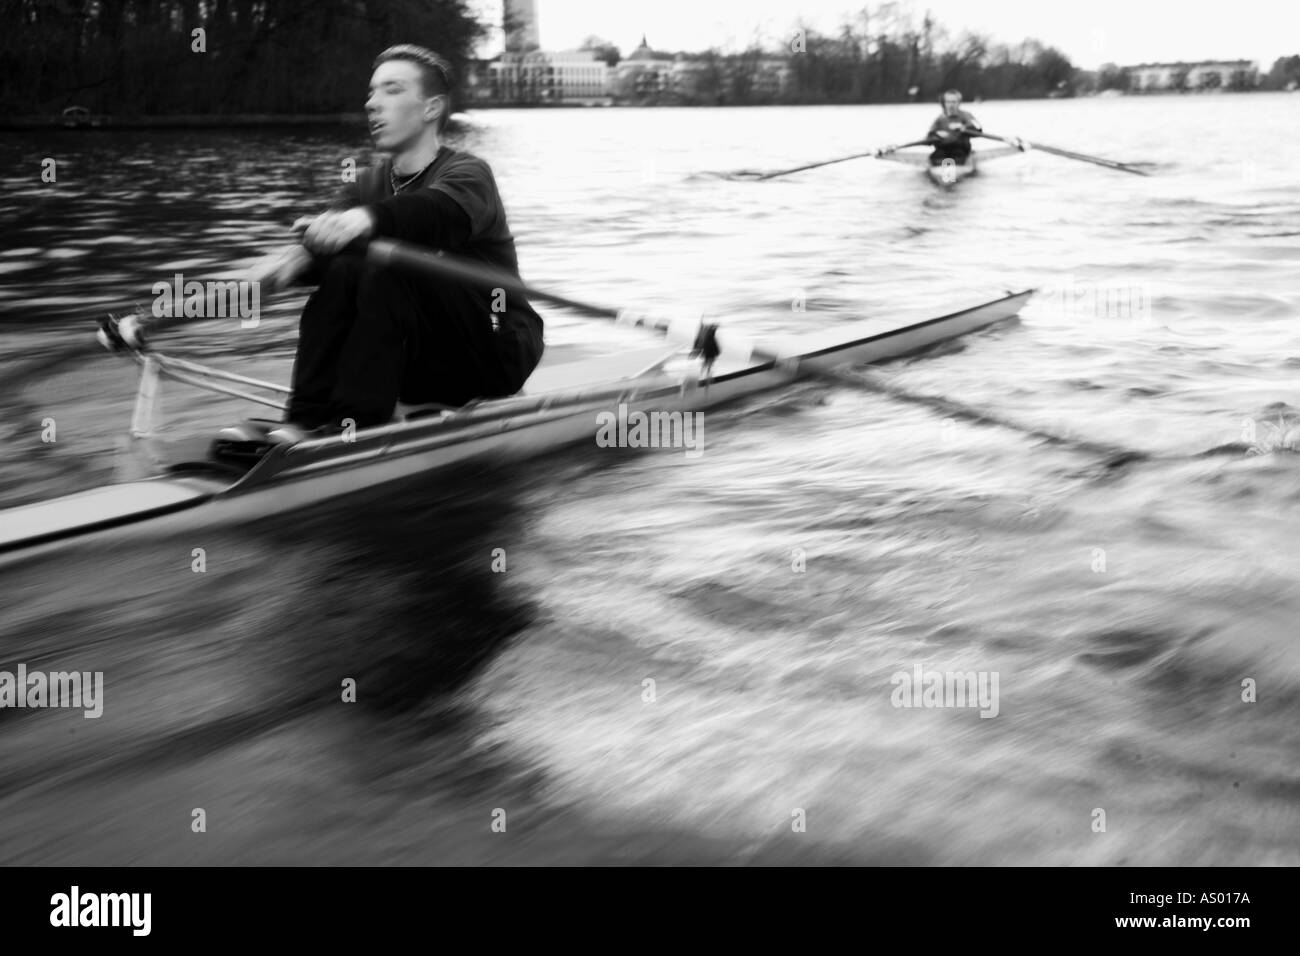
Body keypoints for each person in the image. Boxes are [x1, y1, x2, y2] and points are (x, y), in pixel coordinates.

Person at [244, 44, 544, 443]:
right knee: (346, 264)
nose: (372, 104)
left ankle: (353, 429)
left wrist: (367, 220)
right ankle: (306, 420)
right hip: (420, 359)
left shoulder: (469, 174)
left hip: (495, 347)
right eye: (371, 92)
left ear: (431, 108)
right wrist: (288, 264)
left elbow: (435, 213)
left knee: (383, 261)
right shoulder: (364, 184)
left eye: (392, 90)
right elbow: (321, 254)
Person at [926, 89, 982, 166]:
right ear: (944, 103)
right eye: (948, 102)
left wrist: (964, 128)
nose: (951, 105)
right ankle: (941, 169)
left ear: (959, 103)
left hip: (960, 150)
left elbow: (979, 129)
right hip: (943, 150)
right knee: (936, 156)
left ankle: (955, 169)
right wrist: (937, 134)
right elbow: (929, 136)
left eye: (953, 102)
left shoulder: (967, 115)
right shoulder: (940, 119)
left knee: (957, 153)